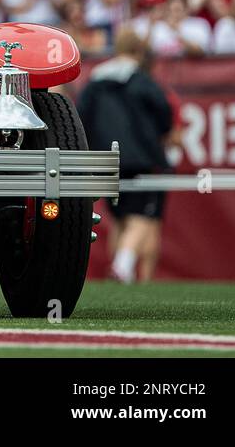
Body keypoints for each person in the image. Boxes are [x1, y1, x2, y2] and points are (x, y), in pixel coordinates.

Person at [77, 29, 175, 284]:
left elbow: (80, 116)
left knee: (120, 218)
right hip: (141, 158)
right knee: (142, 216)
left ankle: (122, 273)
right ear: (138, 51)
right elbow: (164, 114)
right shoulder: (142, 81)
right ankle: (123, 265)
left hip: (106, 160)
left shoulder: (94, 82)